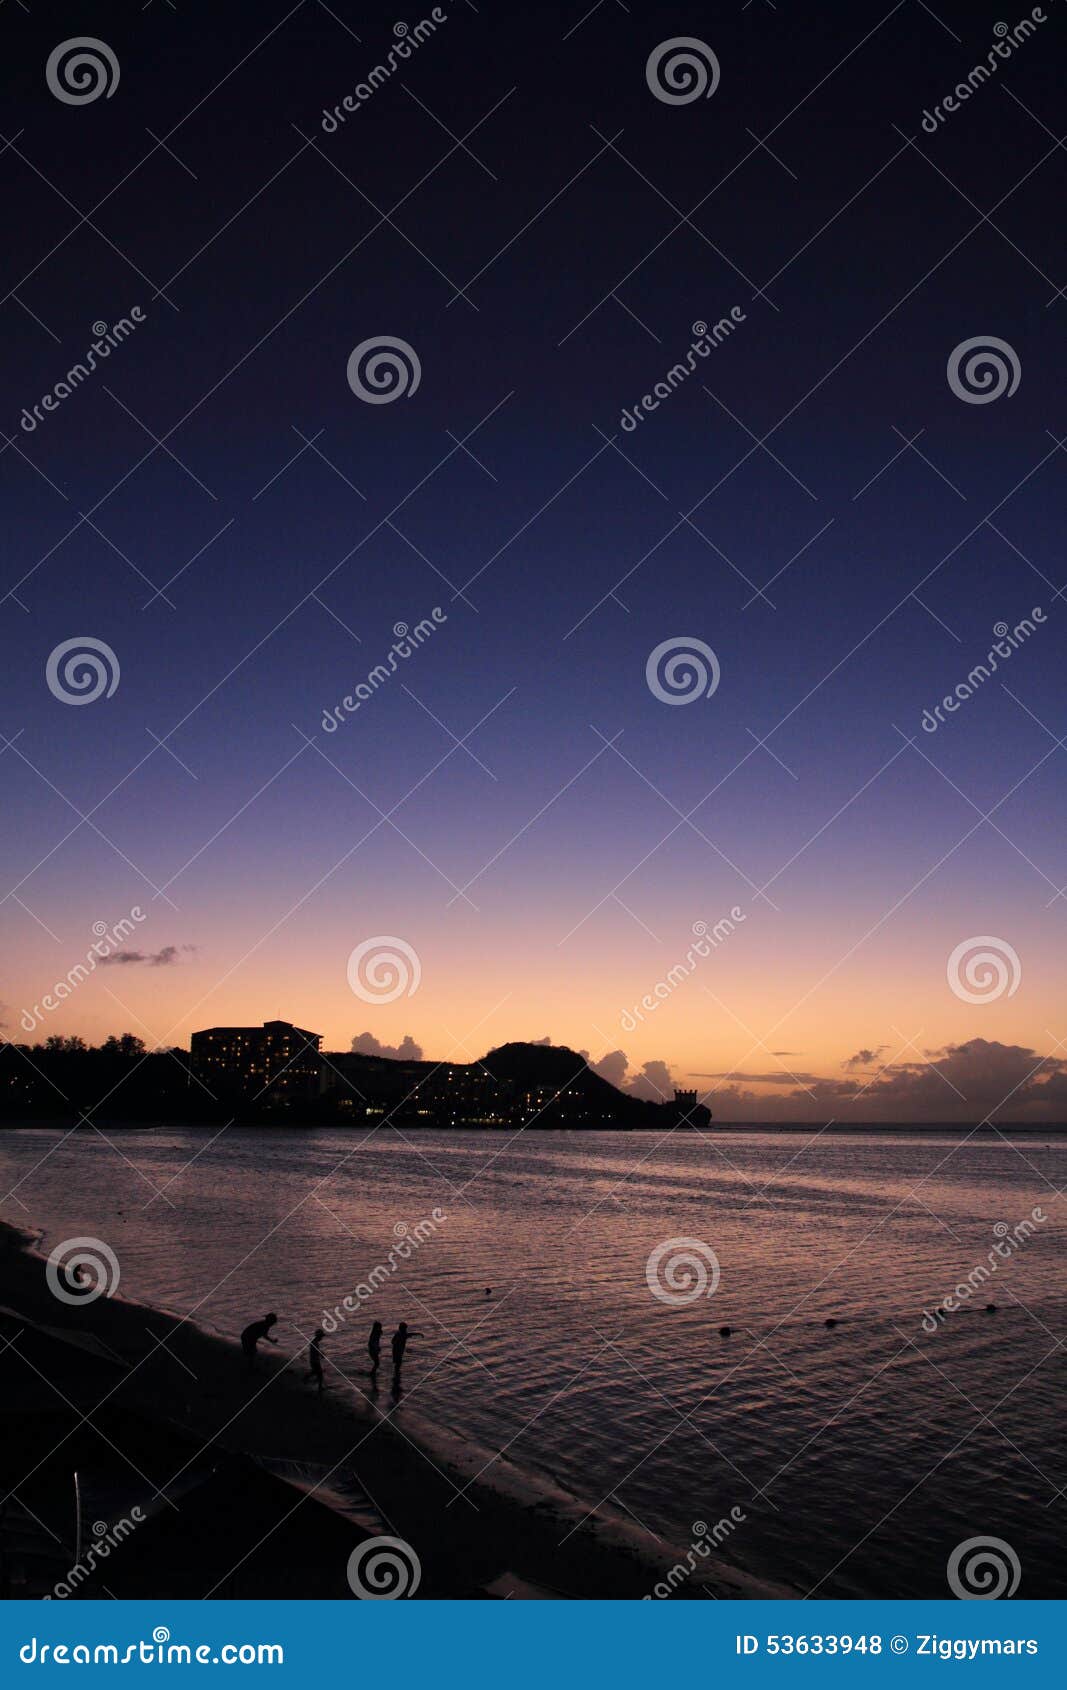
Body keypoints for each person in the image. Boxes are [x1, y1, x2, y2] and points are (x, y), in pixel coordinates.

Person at [306, 1327, 326, 1394]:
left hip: (313, 1360)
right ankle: (320, 1388)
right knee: (320, 1374)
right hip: (315, 1361)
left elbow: (315, 1351)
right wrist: (321, 1354)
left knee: (314, 1372)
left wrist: (320, 1354)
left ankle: (305, 1379)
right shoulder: (315, 1343)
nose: (322, 1338)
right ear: (319, 1336)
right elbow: (316, 1351)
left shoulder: (314, 1342)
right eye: (321, 1336)